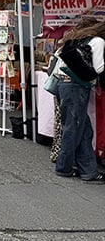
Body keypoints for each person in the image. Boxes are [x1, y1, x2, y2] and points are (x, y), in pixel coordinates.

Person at [53, 19, 105, 183]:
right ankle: (63, 167)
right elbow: (99, 67)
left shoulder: (75, 38)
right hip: (76, 87)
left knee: (83, 129)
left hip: (64, 84)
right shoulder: (98, 41)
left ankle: (88, 171)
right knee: (73, 128)